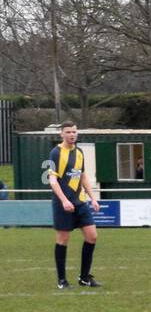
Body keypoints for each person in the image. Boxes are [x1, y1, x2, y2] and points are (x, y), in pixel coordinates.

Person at [47, 120, 102, 289]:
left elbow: (82, 176)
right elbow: (52, 179)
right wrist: (64, 200)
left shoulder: (79, 152)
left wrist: (92, 197)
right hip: (62, 203)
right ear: (61, 134)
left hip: (80, 202)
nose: (72, 134)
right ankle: (61, 280)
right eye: (68, 132)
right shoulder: (56, 153)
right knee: (63, 239)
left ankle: (84, 277)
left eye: (74, 132)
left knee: (92, 236)